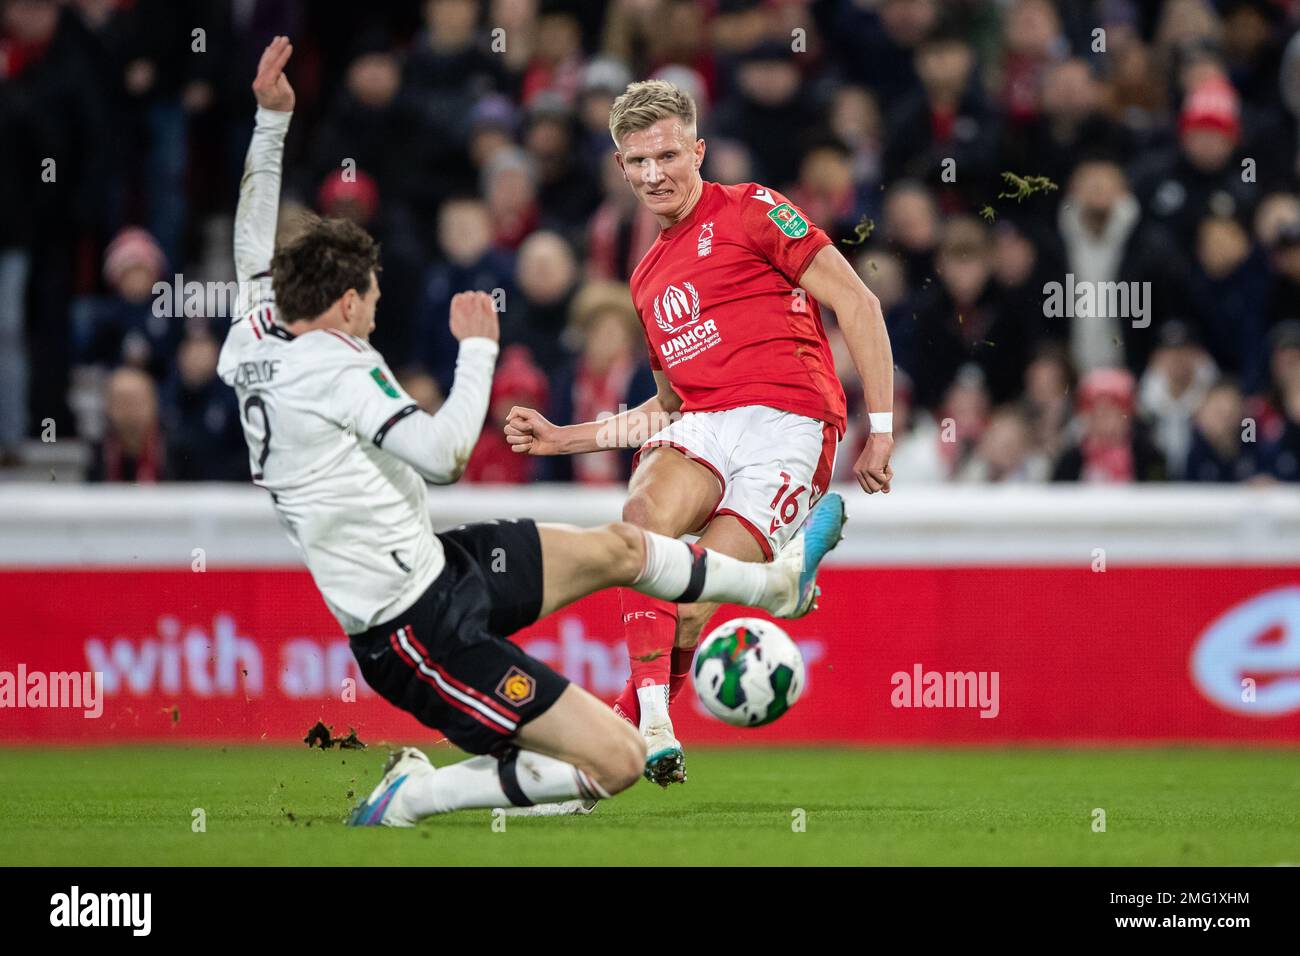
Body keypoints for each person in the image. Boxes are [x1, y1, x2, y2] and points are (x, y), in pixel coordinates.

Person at [219, 39, 846, 828]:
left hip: (446, 566)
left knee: (626, 543)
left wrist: (270, 123)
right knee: (614, 759)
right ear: (344, 305)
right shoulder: (339, 372)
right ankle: (416, 795)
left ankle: (775, 589)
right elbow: (446, 455)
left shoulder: (255, 332)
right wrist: (477, 350)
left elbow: (250, 239)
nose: (376, 308)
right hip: (411, 628)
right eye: (372, 295)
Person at [504, 79, 890, 786]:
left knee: (688, 611)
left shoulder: (754, 208)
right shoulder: (646, 278)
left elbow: (857, 301)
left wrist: (883, 428)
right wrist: (565, 438)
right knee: (642, 524)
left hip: (791, 424)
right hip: (706, 423)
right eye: (637, 162)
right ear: (620, 169)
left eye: (667, 155)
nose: (654, 174)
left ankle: (597, 766)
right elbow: (668, 408)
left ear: (698, 150)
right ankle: (653, 723)